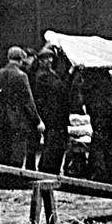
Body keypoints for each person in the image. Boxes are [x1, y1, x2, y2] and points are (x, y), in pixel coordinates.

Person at [0, 47, 43, 168]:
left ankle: (3, 181)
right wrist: (37, 121)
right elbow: (28, 101)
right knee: (16, 156)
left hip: (1, 121)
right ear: (21, 60)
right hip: (18, 122)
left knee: (3, 155)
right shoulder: (21, 76)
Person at [30, 45, 71, 176]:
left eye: (51, 58)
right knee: (53, 143)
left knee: (55, 142)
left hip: (55, 114)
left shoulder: (50, 74)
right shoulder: (42, 76)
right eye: (46, 59)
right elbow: (59, 87)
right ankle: (48, 170)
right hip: (51, 115)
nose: (49, 61)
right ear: (40, 61)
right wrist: (69, 74)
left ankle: (49, 168)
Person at [74, 64, 112, 180]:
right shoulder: (107, 78)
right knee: (107, 141)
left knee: (98, 142)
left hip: (100, 114)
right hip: (111, 113)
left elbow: (83, 93)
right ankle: (107, 170)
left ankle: (98, 171)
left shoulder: (92, 79)